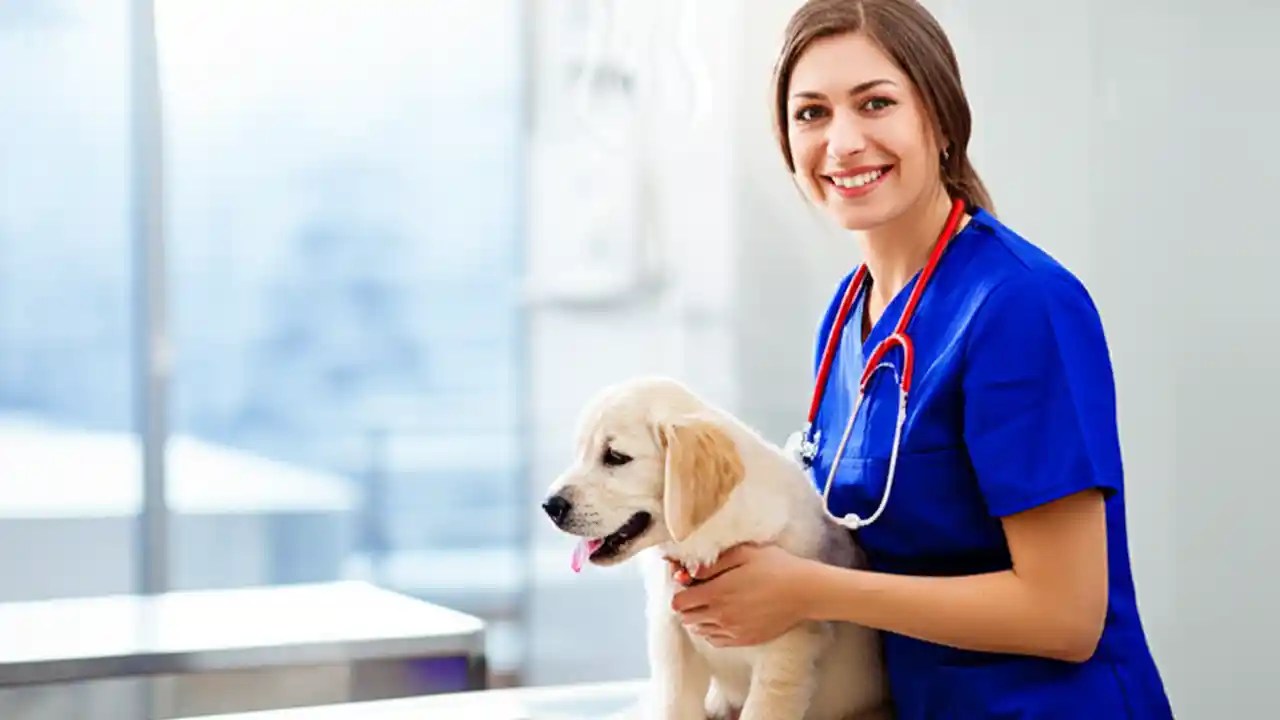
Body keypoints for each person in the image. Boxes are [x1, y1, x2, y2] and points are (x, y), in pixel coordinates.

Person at [667, 0, 1175, 717]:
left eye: (874, 103)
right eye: (811, 114)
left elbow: (1066, 615)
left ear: (938, 120)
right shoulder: (849, 315)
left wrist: (806, 591)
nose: (842, 142)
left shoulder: (1021, 306)